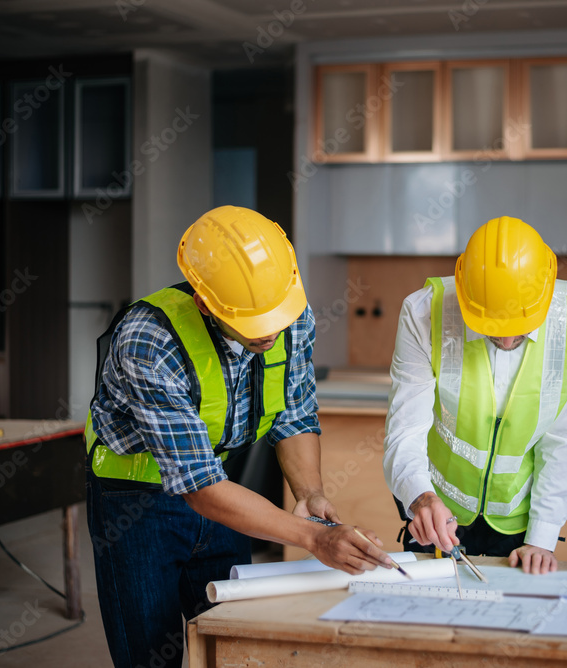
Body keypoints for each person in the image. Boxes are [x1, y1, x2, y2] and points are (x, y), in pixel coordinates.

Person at [85, 206, 394, 668]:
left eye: (277, 314)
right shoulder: (150, 339)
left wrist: (311, 493)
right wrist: (313, 539)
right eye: (255, 322)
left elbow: (294, 412)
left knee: (234, 640)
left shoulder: (289, 311)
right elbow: (198, 484)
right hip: (135, 502)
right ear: (206, 304)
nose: (271, 329)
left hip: (223, 485)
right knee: (150, 652)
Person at [383, 216, 567, 574]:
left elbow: (562, 439)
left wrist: (541, 538)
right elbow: (405, 430)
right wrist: (421, 498)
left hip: (518, 526)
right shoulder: (424, 313)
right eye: (494, 329)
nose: (509, 341)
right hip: (435, 513)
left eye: (522, 328)